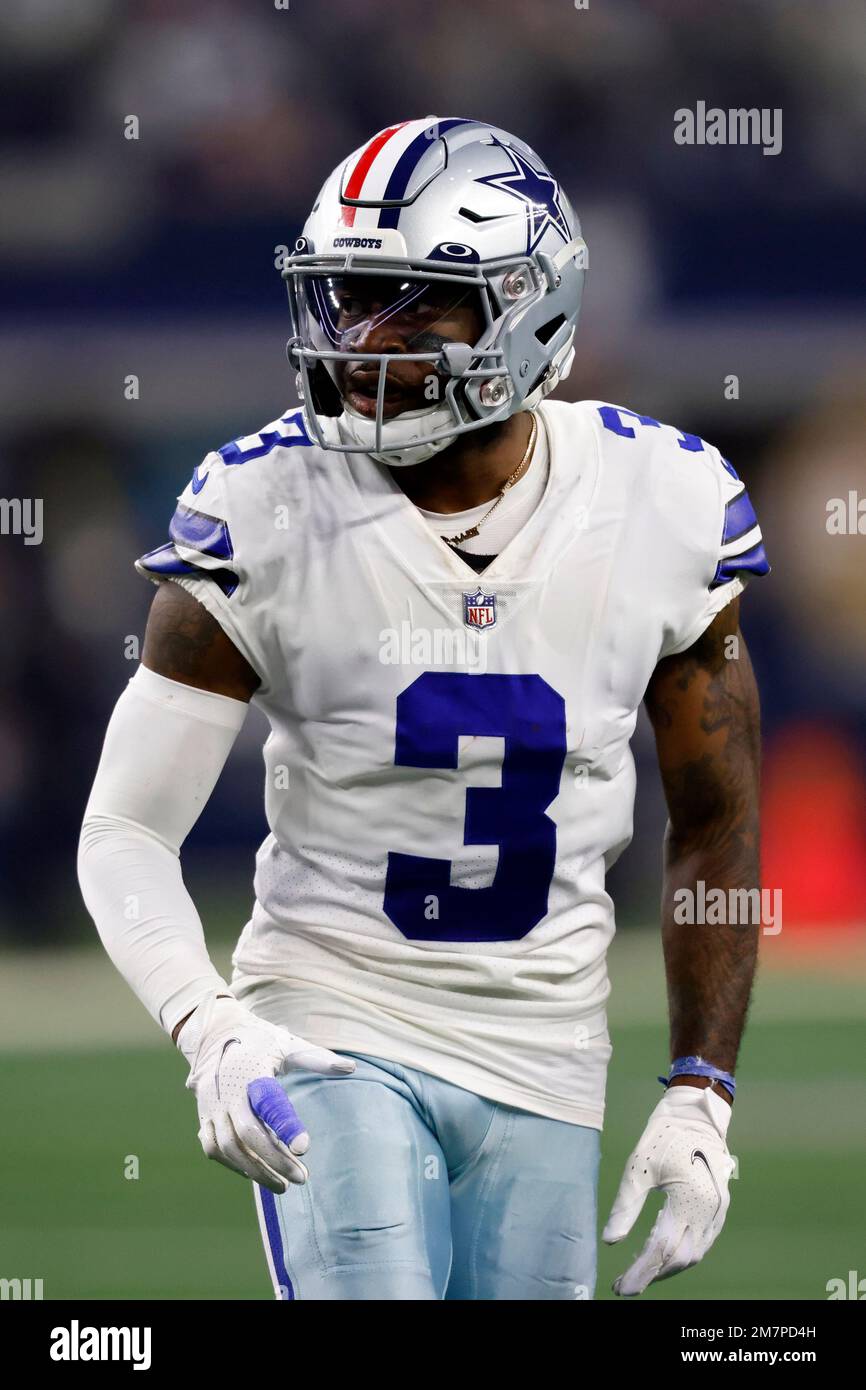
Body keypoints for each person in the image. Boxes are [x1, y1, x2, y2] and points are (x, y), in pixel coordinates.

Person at [78, 116, 769, 1300]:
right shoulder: (265, 504)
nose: (360, 341)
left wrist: (702, 1087)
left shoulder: (665, 501)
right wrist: (210, 1023)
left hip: (546, 1049)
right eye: (345, 299)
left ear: (528, 304)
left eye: (412, 303)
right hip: (328, 1015)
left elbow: (713, 821)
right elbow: (127, 826)